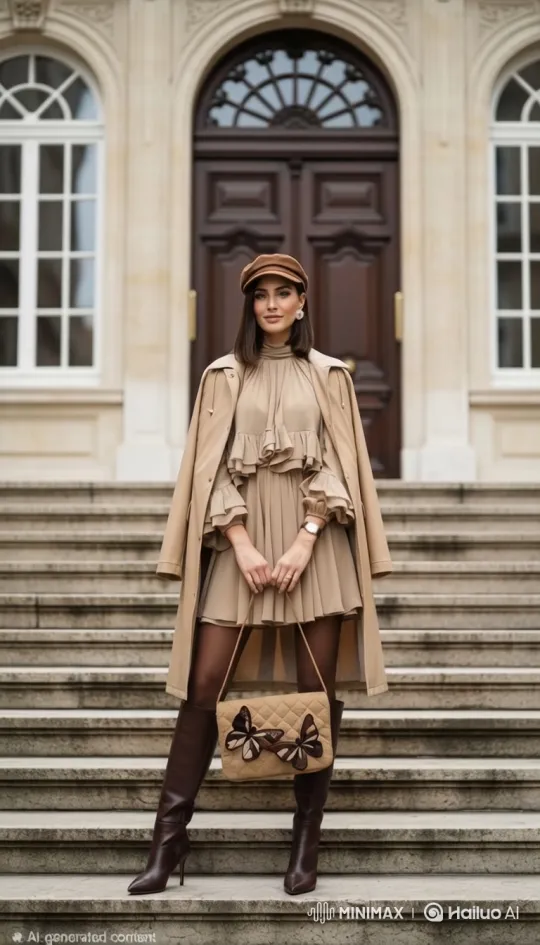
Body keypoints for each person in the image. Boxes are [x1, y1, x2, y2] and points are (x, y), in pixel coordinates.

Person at [128, 253, 392, 897]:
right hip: (238, 545)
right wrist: (241, 543)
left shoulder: (330, 375)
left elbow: (341, 464)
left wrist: (307, 536)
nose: (272, 303)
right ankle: (168, 841)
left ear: (302, 303)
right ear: (250, 305)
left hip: (315, 548)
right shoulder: (222, 376)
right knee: (202, 687)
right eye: (261, 294)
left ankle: (306, 843)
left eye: (284, 293)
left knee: (316, 694)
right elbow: (208, 468)